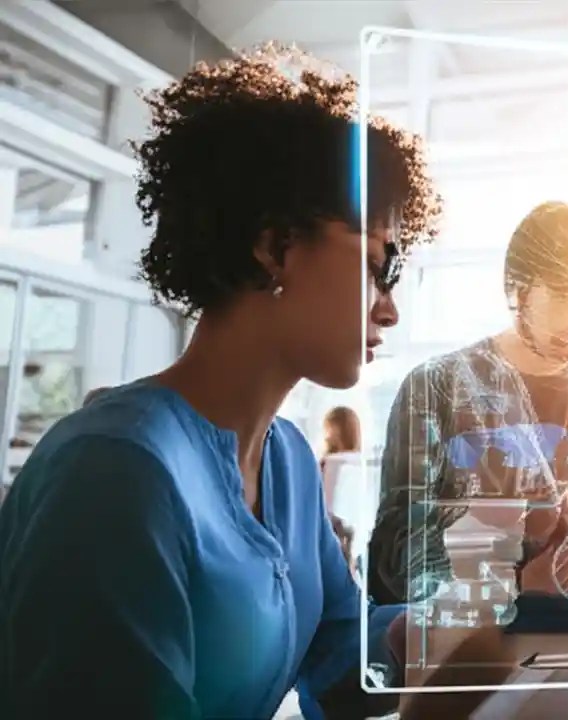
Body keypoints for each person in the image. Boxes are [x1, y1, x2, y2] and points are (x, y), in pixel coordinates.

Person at [0, 44, 442, 719]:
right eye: (378, 265)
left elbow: (337, 657)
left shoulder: (289, 461)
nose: (389, 306)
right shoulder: (118, 471)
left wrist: (473, 618)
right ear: (276, 247)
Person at [369, 201, 568, 631]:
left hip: (549, 632)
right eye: (564, 299)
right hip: (443, 640)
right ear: (518, 289)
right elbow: (399, 542)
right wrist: (506, 588)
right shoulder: (437, 385)